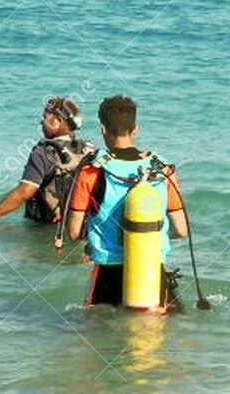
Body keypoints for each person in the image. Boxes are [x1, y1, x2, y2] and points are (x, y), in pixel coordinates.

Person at [63, 94, 190, 308]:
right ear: (135, 129)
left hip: (107, 272)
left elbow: (74, 232)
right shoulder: (164, 170)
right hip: (150, 269)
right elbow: (182, 230)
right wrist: (146, 236)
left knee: (96, 335)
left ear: (103, 129)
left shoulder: (91, 171)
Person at [0, 96, 97, 228]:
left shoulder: (43, 153)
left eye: (45, 118)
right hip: (78, 225)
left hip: (45, 227)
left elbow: (25, 191)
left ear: (57, 122)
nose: (41, 123)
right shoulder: (88, 149)